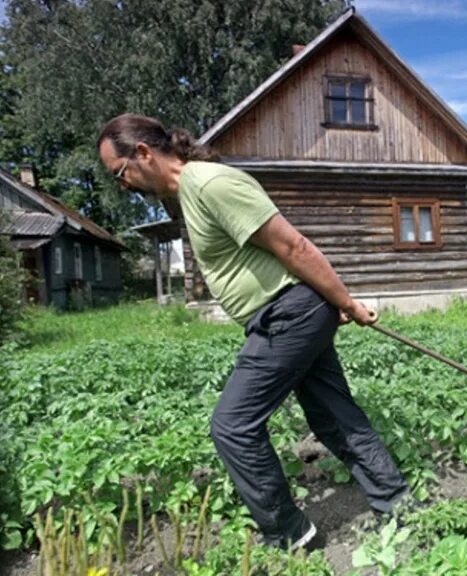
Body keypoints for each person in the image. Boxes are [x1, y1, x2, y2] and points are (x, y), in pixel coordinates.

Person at [97, 114, 408, 550]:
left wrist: (345, 302)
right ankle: (397, 502)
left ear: (143, 153)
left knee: (233, 426)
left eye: (119, 173)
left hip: (286, 315)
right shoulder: (191, 193)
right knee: (333, 415)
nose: (122, 184)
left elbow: (292, 245)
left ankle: (290, 534)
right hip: (293, 311)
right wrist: (324, 305)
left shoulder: (209, 184)